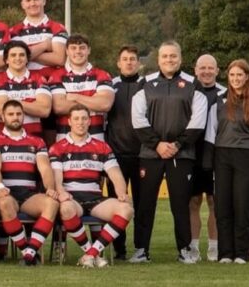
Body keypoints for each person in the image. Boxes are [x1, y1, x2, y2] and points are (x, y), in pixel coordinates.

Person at [129, 41, 207, 264]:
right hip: (150, 154)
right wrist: (157, 145)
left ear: (180, 59)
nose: (169, 60)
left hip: (181, 155)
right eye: (165, 56)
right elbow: (137, 118)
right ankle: (141, 249)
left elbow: (198, 120)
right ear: (159, 59)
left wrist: (177, 145)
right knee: (145, 203)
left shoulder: (194, 84)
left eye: (173, 56)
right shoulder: (145, 83)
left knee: (180, 203)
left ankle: (184, 249)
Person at [52, 104, 134, 268]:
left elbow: (116, 175)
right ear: (69, 122)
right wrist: (61, 192)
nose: (80, 122)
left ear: (89, 121)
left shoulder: (102, 146)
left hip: (95, 198)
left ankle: (90, 254)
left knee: (126, 209)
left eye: (84, 118)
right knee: (66, 208)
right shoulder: (58, 147)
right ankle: (92, 253)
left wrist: (121, 192)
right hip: (72, 197)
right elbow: (56, 179)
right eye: (76, 119)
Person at [207, 59, 249, 264]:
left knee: (243, 205)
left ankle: (242, 253)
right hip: (223, 157)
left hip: (247, 157)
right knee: (223, 206)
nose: (236, 79)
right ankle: (225, 253)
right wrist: (208, 160)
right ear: (228, 77)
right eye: (232, 75)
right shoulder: (219, 101)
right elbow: (211, 131)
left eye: (240, 75)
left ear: (247, 76)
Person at [0, 99, 59, 266]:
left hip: (28, 195)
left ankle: (30, 252)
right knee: (5, 203)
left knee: (52, 203)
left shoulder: (37, 142)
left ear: (24, 116)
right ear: (2, 117)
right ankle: (27, 251)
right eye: (11, 114)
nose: (15, 117)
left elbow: (45, 168)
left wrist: (50, 188)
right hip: (7, 192)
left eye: (19, 114)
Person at [104, 44, 144, 260]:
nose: (129, 62)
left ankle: (141, 247)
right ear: (118, 63)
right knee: (116, 202)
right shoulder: (110, 85)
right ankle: (119, 249)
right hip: (116, 156)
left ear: (138, 63)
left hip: (142, 155)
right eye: (125, 59)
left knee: (142, 204)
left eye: (132, 59)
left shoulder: (147, 85)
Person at [187, 53, 225, 261]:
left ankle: (214, 246)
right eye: (203, 68)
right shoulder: (188, 91)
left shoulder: (225, 93)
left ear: (217, 71)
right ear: (195, 70)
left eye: (211, 68)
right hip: (192, 154)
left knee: (214, 201)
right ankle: (193, 247)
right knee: (193, 201)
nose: (207, 71)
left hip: (217, 155)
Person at [50, 34, 116, 142]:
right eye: (73, 48)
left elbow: (105, 104)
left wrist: (74, 96)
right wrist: (93, 101)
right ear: (66, 51)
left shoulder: (102, 75)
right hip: (64, 141)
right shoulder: (56, 76)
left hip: (96, 139)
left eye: (82, 48)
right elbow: (59, 107)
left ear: (89, 50)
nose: (78, 51)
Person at [0, 41, 52, 137]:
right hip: (4, 138)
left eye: (22, 55)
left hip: (34, 137)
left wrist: (12, 102)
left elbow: (44, 110)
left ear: (27, 59)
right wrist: (32, 104)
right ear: (6, 60)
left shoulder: (39, 78)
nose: (18, 58)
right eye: (13, 55)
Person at [6, 0, 68, 73]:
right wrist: (44, 45)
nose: (32, 4)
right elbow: (12, 61)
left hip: (52, 83)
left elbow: (59, 59)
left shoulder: (58, 28)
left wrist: (25, 54)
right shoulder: (13, 32)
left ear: (44, 1)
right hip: (24, 83)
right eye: (28, 0)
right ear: (22, 5)